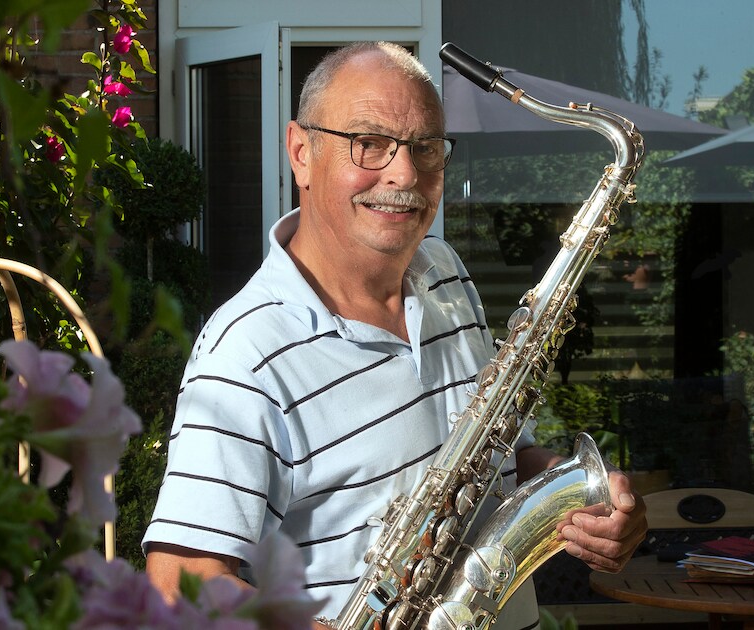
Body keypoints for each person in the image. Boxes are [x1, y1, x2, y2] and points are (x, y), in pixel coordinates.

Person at [142, 41, 647, 628]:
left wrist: (586, 503)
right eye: (369, 143)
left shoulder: (446, 275)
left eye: (426, 148)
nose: (405, 173)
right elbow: (178, 583)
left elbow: (500, 457)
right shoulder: (245, 351)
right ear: (301, 152)